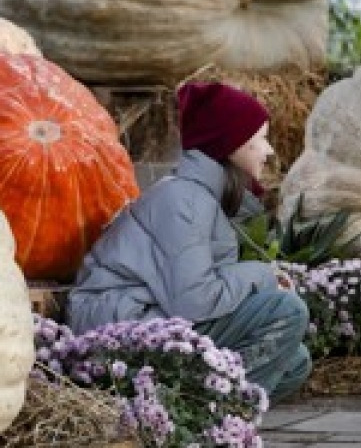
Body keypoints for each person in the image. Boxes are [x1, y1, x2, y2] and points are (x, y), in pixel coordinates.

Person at [68, 81, 312, 402]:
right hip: (120, 329)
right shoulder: (185, 200)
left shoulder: (203, 197)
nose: (268, 151)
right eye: (261, 139)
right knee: (287, 311)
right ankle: (207, 412)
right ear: (230, 141)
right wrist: (261, 276)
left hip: (155, 316)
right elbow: (194, 300)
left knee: (295, 361)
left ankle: (193, 401)